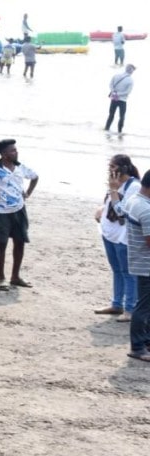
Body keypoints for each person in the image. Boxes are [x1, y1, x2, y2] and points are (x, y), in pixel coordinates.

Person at [0, 139, 39, 291]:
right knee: (1, 244)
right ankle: (2, 279)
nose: (16, 152)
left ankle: (15, 276)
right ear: (4, 154)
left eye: (16, 150)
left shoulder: (20, 167)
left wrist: (28, 194)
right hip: (1, 213)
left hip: (19, 211)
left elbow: (35, 177)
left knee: (20, 242)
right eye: (12, 151)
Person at [96, 155, 141, 321]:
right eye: (110, 167)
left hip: (124, 237)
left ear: (123, 169)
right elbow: (108, 204)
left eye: (113, 167)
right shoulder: (114, 184)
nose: (110, 170)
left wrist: (114, 190)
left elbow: (122, 211)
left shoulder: (134, 186)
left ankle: (129, 309)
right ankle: (116, 304)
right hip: (109, 233)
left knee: (128, 273)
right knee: (116, 270)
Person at [123, 170, 150, 362]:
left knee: (145, 305)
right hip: (146, 264)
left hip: (139, 261)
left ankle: (145, 342)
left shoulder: (134, 199)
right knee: (143, 307)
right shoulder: (146, 209)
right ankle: (138, 347)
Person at [106, 64, 136, 133]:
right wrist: (118, 94)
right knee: (122, 117)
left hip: (114, 98)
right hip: (122, 100)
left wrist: (114, 93)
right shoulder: (130, 80)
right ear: (131, 71)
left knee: (111, 115)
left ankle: (106, 129)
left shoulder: (116, 76)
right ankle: (120, 132)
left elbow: (110, 85)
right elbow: (127, 92)